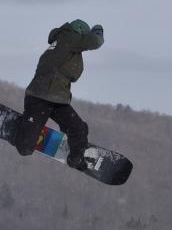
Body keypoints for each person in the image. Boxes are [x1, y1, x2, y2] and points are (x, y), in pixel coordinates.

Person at [13, 19, 104, 170]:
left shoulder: (64, 45)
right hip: (39, 97)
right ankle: (21, 127)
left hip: (57, 99)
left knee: (78, 129)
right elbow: (94, 41)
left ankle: (76, 159)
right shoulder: (69, 37)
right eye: (84, 36)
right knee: (25, 148)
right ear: (80, 33)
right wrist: (97, 33)